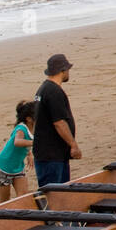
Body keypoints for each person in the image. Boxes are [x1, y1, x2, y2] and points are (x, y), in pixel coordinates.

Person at [33, 53, 81, 187]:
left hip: (50, 153)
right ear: (63, 70)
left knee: (60, 192)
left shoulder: (43, 89)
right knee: (55, 194)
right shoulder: (53, 91)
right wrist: (73, 145)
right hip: (51, 155)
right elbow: (59, 122)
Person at [0, 100, 36, 202]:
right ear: (29, 119)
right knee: (4, 201)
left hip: (17, 168)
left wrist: (29, 154)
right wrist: (35, 142)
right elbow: (17, 142)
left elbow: (25, 142)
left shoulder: (34, 128)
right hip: (3, 168)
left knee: (23, 196)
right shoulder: (21, 128)